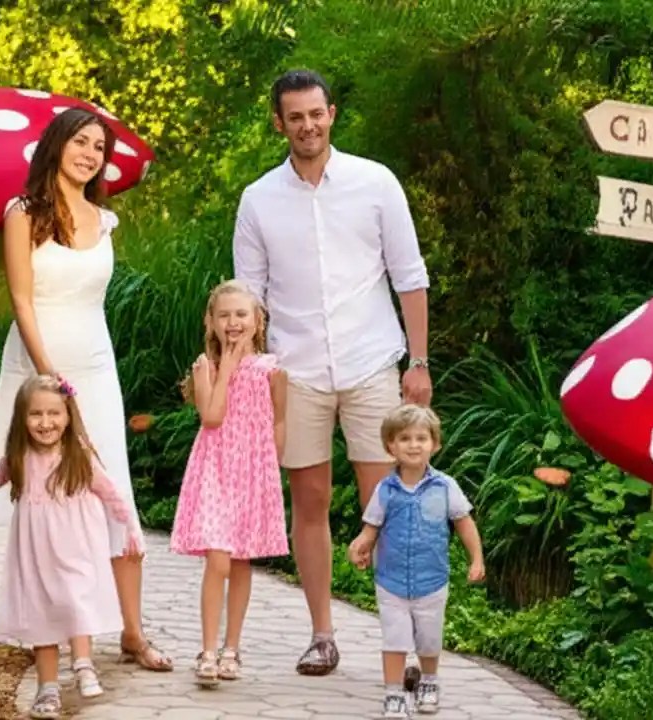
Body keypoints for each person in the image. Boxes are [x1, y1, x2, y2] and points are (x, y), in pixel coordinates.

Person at [232, 67, 433, 676]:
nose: (307, 125)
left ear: (332, 114)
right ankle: (322, 634)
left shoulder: (375, 183)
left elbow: (410, 275)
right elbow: (248, 300)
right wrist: (248, 382)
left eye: (315, 114)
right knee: (311, 499)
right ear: (279, 123)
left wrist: (418, 362)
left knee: (388, 502)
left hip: (371, 362)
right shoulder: (259, 199)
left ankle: (402, 642)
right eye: (295, 117)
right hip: (296, 371)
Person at [0, 107, 173, 672]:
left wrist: (75, 384)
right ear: (57, 145)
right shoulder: (23, 213)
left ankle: (132, 633)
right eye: (81, 142)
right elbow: (21, 301)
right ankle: (48, 630)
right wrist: (50, 380)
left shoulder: (105, 219)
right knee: (44, 500)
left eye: (99, 148)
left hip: (95, 369)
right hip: (37, 373)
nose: (90, 154)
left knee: (112, 488)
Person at [0, 374, 146, 719]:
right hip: (36, 553)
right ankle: (47, 690)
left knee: (76, 600)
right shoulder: (19, 456)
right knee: (42, 615)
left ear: (68, 416)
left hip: (77, 547)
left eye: (54, 413)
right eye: (36, 414)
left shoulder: (79, 455)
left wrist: (131, 529)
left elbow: (111, 493)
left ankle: (83, 664)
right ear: (22, 418)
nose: (45, 423)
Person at [169, 280, 290, 687]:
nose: (233, 322)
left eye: (241, 314)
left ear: (258, 321)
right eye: (224, 315)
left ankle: (232, 648)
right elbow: (212, 417)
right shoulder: (205, 367)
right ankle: (207, 649)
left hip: (253, 472)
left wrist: (272, 471)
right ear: (211, 322)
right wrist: (228, 368)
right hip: (216, 470)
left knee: (241, 560)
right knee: (218, 559)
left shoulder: (272, 369)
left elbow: (279, 420)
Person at [347, 404, 486, 718]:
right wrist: (360, 546)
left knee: (429, 640)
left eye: (421, 438)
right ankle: (393, 694)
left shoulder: (445, 487)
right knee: (394, 640)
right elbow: (371, 528)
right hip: (391, 581)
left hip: (431, 581)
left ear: (435, 444)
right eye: (405, 438)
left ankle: (430, 682)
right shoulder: (386, 489)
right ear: (391, 446)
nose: (413, 445)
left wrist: (476, 559)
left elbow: (464, 523)